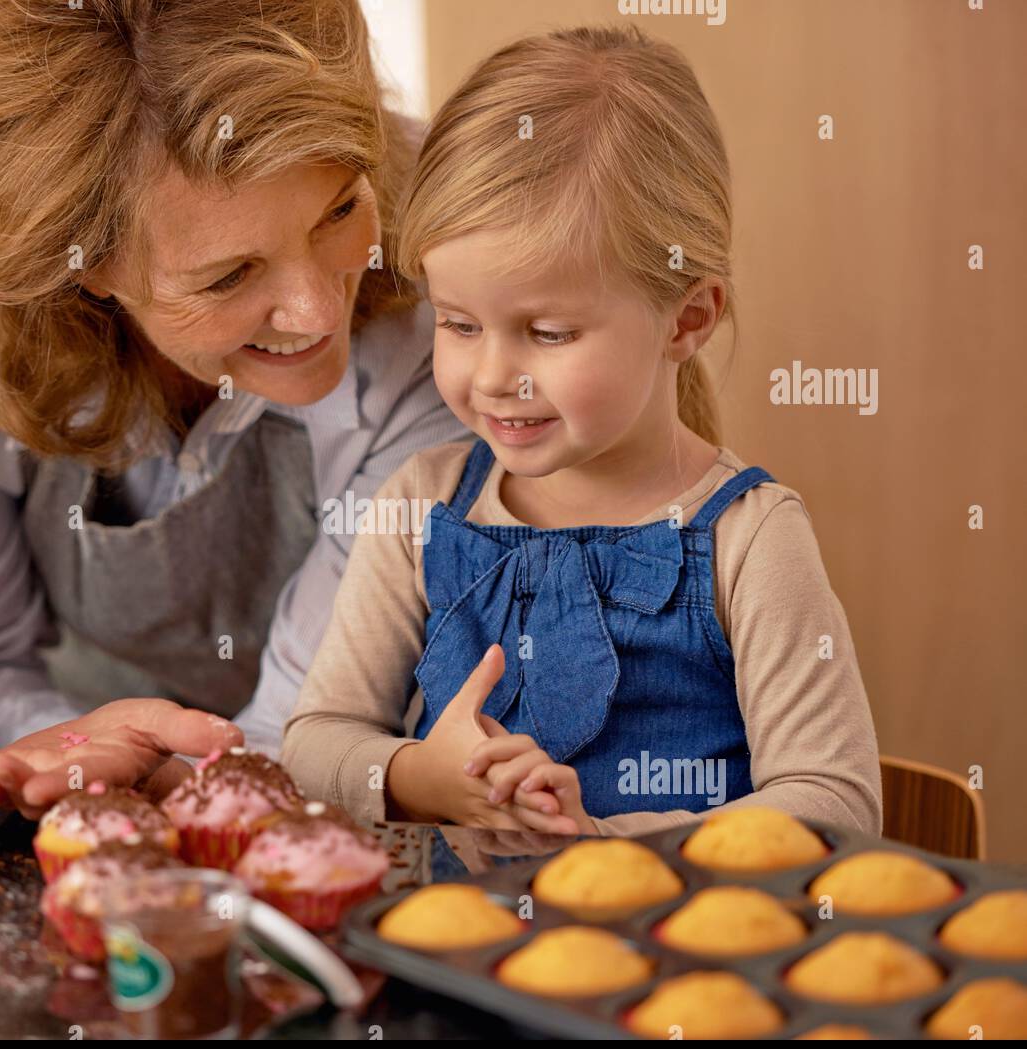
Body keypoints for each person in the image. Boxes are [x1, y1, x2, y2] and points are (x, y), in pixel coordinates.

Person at [0, 0, 466, 819]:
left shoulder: (457, 268)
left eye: (341, 211)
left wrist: (175, 786)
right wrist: (77, 756)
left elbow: (319, 715)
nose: (320, 311)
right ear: (84, 263)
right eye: (227, 276)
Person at [280, 25, 883, 840]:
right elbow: (314, 744)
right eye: (458, 323)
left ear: (688, 318)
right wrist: (422, 777)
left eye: (550, 333)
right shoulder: (418, 504)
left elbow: (833, 805)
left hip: (675, 958)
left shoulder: (754, 540)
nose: (494, 375)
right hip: (448, 951)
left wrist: (607, 842)